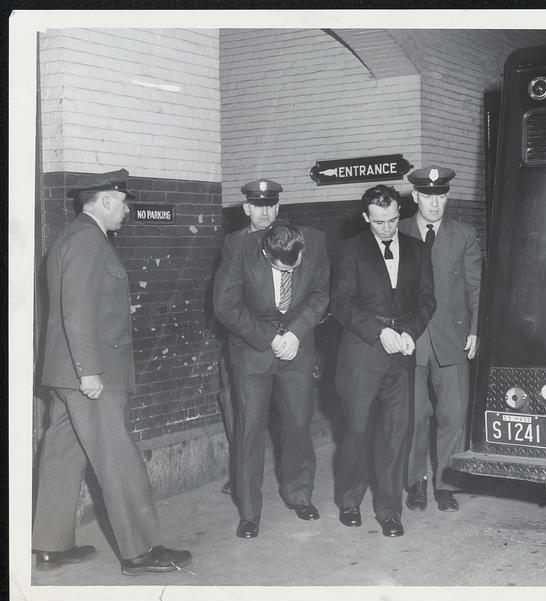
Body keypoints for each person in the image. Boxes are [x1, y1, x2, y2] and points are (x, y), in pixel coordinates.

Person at [33, 169, 192, 576]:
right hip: (90, 374)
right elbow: (78, 311)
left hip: (66, 373)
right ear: (105, 200)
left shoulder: (72, 238)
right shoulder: (88, 241)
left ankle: (50, 545)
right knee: (117, 458)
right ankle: (141, 551)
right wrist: (90, 372)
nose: (126, 210)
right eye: (123, 203)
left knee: (62, 456)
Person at [214, 207, 330, 539]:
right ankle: (249, 512)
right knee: (250, 431)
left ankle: (299, 495)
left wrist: (294, 333)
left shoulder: (316, 242)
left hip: (297, 348)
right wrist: (270, 337)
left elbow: (321, 295)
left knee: (298, 425)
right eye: (282, 267)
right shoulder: (240, 248)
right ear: (266, 253)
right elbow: (225, 306)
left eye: (295, 265)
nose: (290, 270)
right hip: (252, 351)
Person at [332, 184, 436, 537]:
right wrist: (379, 332)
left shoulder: (418, 250)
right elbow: (342, 304)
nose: (388, 228)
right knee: (357, 432)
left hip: (401, 356)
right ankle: (349, 501)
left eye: (393, 219)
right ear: (366, 218)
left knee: (395, 434)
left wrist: (409, 331)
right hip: (362, 355)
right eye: (379, 222)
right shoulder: (350, 251)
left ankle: (390, 511)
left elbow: (426, 301)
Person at [401, 165, 482, 513]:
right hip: (412, 338)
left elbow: (475, 286)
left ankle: (446, 483)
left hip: (453, 335)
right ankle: (415, 481)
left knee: (453, 413)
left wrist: (477, 328)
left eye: (441, 196)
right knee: (414, 414)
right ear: (415, 196)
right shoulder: (398, 230)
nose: (435, 204)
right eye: (428, 196)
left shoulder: (463, 235)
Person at [217, 179, 285, 496]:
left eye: (271, 205)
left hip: (288, 342)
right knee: (246, 416)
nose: (265, 212)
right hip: (249, 339)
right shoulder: (234, 243)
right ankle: (243, 480)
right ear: (246, 208)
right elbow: (229, 299)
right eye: (258, 206)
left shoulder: (292, 237)